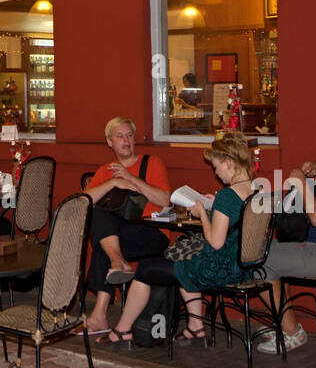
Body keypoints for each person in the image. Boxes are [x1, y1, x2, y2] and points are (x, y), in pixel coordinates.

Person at [105, 131, 255, 343]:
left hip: (218, 269)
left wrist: (203, 213)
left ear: (228, 162)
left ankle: (122, 329)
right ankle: (195, 326)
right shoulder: (254, 190)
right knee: (182, 251)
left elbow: (215, 241)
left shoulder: (227, 195)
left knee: (147, 268)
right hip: (244, 268)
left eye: (216, 166)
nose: (216, 172)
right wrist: (214, 208)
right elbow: (235, 225)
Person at [257, 107, 316, 353]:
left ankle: (292, 332)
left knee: (256, 259)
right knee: (266, 250)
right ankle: (286, 325)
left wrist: (301, 183)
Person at [80, 117, 171, 335]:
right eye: (120, 136)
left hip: (153, 232)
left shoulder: (152, 163)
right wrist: (112, 182)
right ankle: (117, 261)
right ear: (109, 142)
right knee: (100, 217)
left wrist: (132, 179)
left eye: (129, 135)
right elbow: (82, 201)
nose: (126, 140)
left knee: (104, 241)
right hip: (121, 235)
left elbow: (165, 200)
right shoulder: (106, 170)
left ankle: (100, 314)